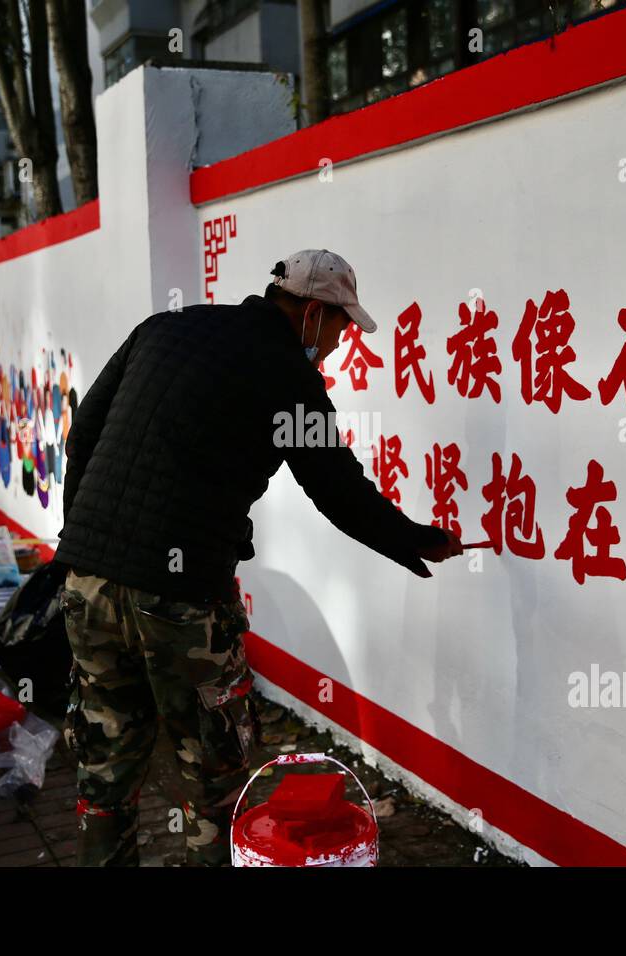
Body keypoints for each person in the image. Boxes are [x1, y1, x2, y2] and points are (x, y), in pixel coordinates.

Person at [56, 249, 462, 867]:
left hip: (87, 580)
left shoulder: (162, 328)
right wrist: (413, 538)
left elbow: (83, 430)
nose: (338, 343)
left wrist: (79, 538)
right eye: (340, 326)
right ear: (311, 313)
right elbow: (337, 487)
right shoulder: (287, 374)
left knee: (105, 760)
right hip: (181, 596)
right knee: (215, 776)